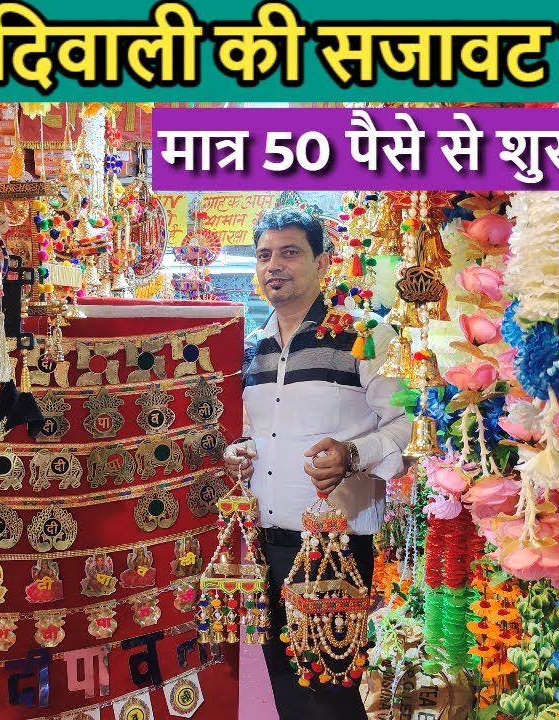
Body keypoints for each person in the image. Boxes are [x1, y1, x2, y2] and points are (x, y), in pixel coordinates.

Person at [223, 207, 410, 720]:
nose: (273, 266)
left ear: (323, 262)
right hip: (264, 544)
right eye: (264, 255)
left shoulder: (365, 335)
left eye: (290, 253)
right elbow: (248, 432)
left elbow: (410, 425)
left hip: (342, 545)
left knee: (335, 689)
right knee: (280, 682)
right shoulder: (250, 349)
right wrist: (237, 452)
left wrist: (354, 454)